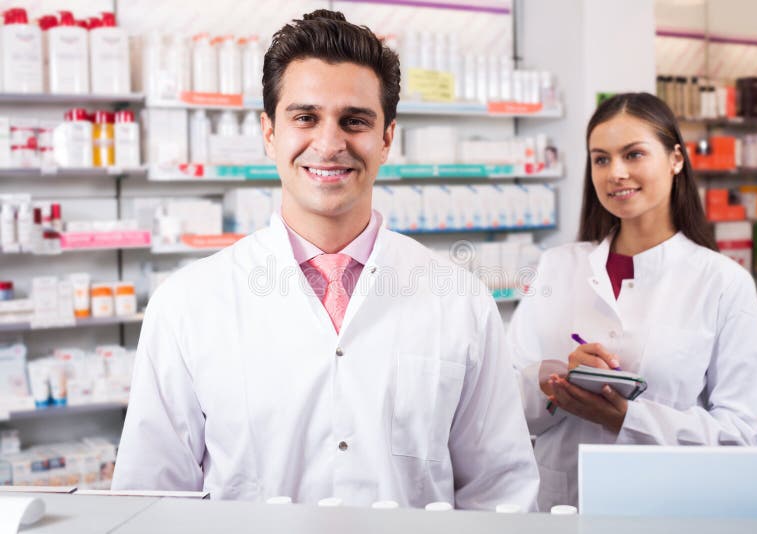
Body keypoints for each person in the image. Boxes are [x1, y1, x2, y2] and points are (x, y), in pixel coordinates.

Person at [112, 9, 540, 510]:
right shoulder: (187, 305)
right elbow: (149, 499)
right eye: (305, 117)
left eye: (355, 121)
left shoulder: (460, 300)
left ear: (386, 138)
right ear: (269, 133)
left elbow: (500, 494)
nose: (330, 143)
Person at [508, 92, 757, 511]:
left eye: (633, 154)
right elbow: (502, 399)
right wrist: (552, 382)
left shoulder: (723, 283)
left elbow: (740, 435)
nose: (616, 173)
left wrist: (627, 419)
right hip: (561, 506)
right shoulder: (557, 267)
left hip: (668, 506)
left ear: (676, 159)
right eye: (601, 159)